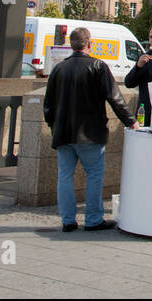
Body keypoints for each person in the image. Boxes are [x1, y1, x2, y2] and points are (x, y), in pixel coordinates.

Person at [42, 27, 136, 231]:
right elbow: (115, 98)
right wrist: (131, 121)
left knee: (64, 176)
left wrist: (53, 126)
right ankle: (93, 220)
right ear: (89, 43)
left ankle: (68, 220)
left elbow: (48, 104)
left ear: (71, 44)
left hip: (63, 132)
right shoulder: (98, 66)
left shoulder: (59, 68)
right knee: (94, 175)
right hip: (90, 132)